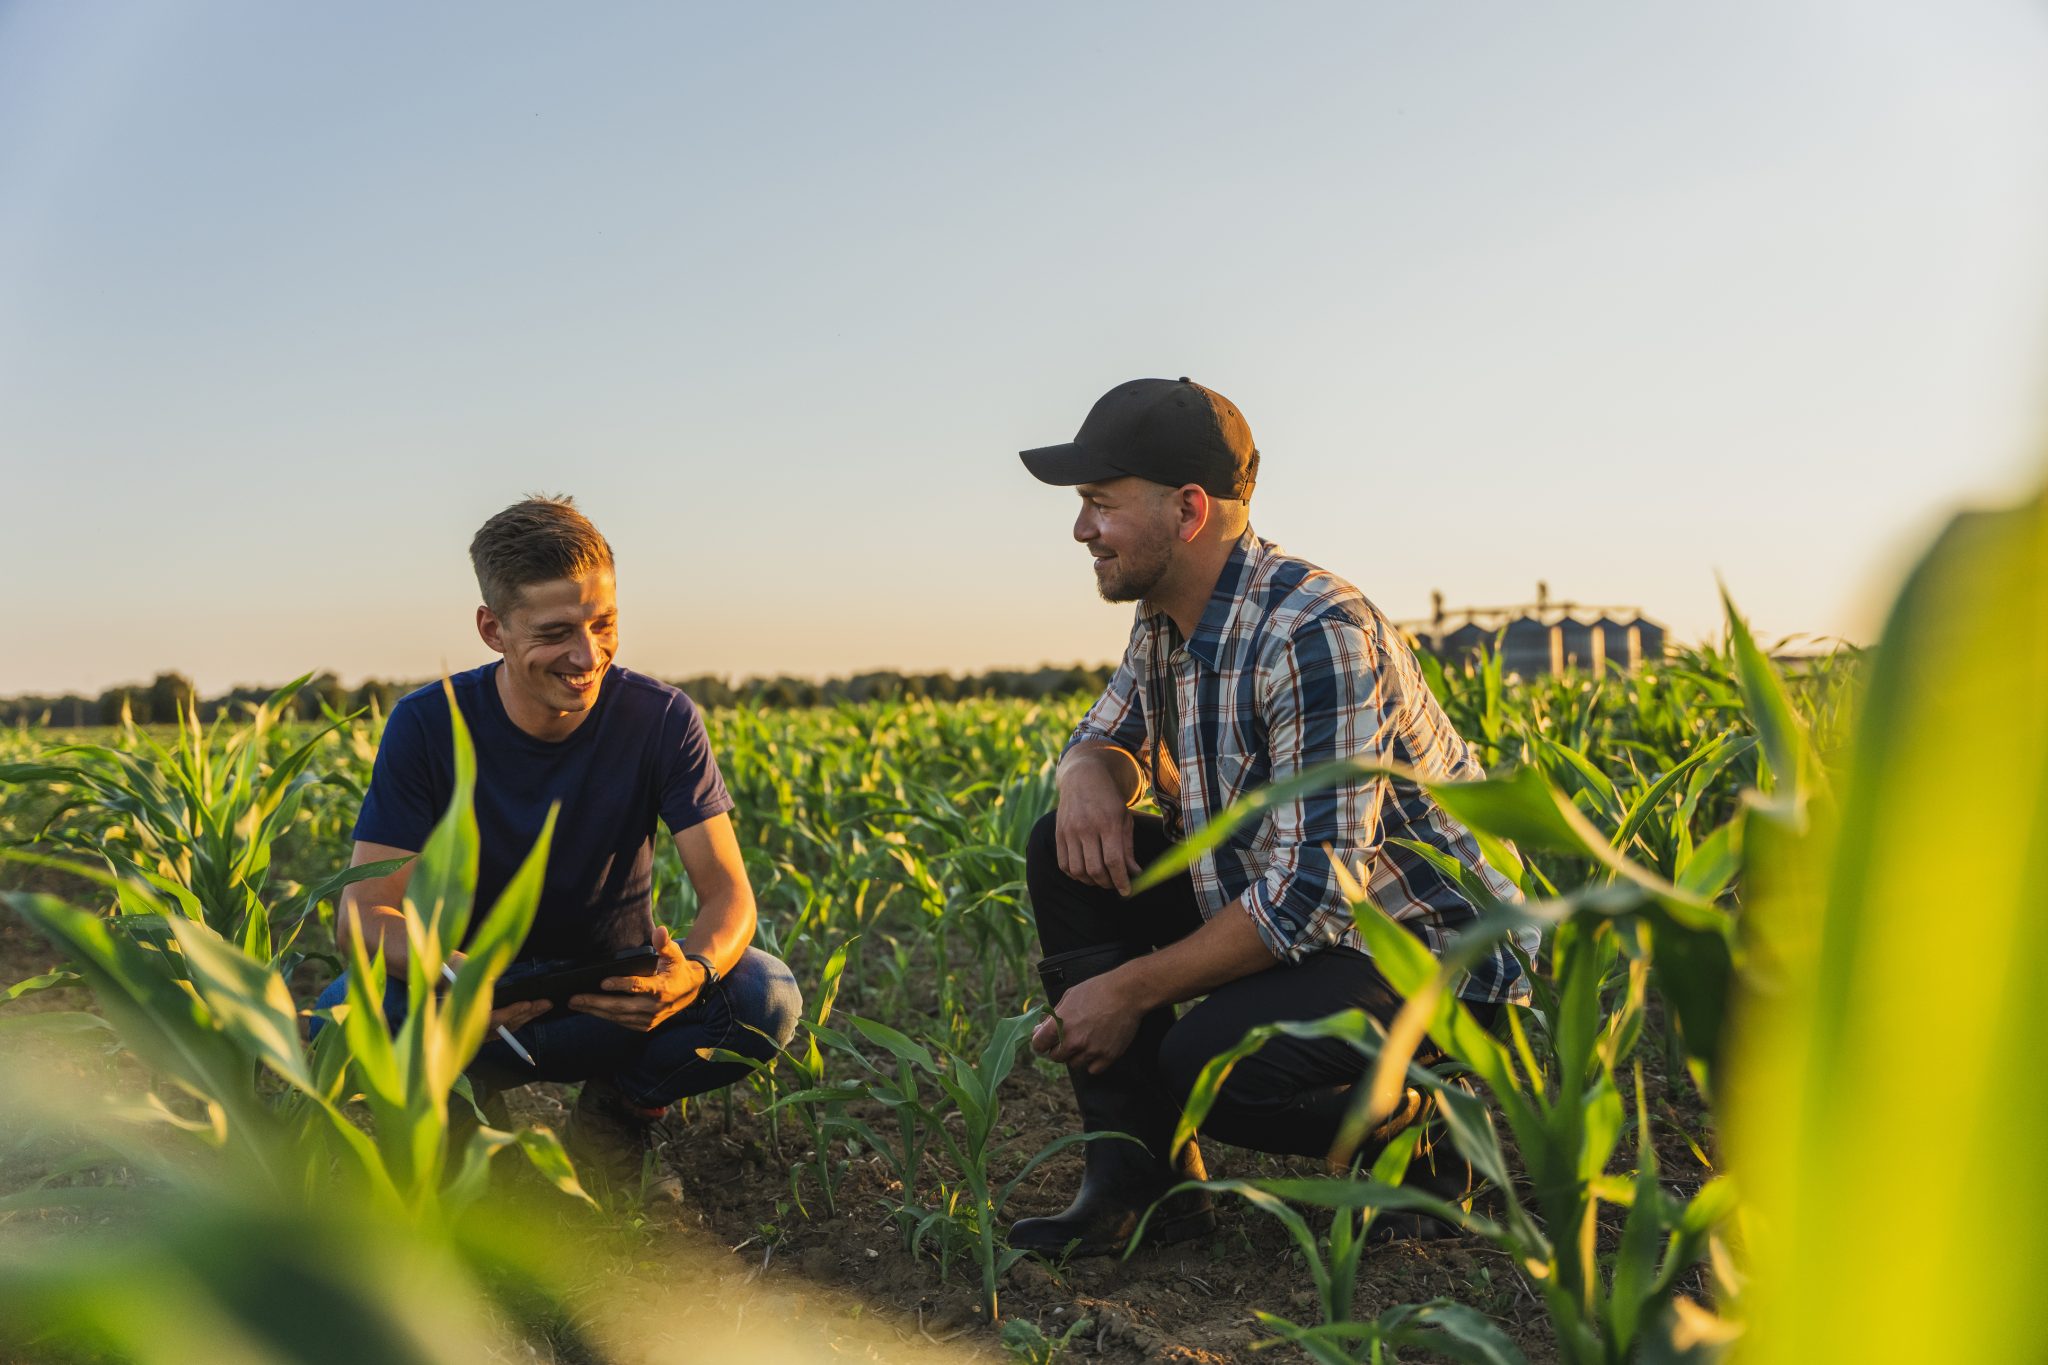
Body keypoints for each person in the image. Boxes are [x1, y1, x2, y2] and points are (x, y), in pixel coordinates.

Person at [1008, 377, 1531, 1256]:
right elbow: (1108, 733)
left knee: (1212, 1067)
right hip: (1293, 906)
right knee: (1063, 854)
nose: (1081, 529)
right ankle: (1144, 1190)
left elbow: (1315, 896)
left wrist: (1125, 992)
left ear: (1188, 510)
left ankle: (1429, 1135)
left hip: (1427, 946)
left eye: (1101, 503)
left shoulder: (1312, 630)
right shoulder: (1166, 616)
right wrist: (1086, 768)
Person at [321, 495, 801, 1203]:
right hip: (473, 1014)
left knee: (764, 994)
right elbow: (361, 915)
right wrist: (458, 979)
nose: (588, 655)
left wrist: (692, 973)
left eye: (603, 624)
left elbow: (728, 893)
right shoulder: (427, 725)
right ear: (492, 629)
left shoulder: (660, 719)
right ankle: (473, 1141)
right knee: (344, 1012)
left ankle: (615, 1117)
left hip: (612, 1004)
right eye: (555, 632)